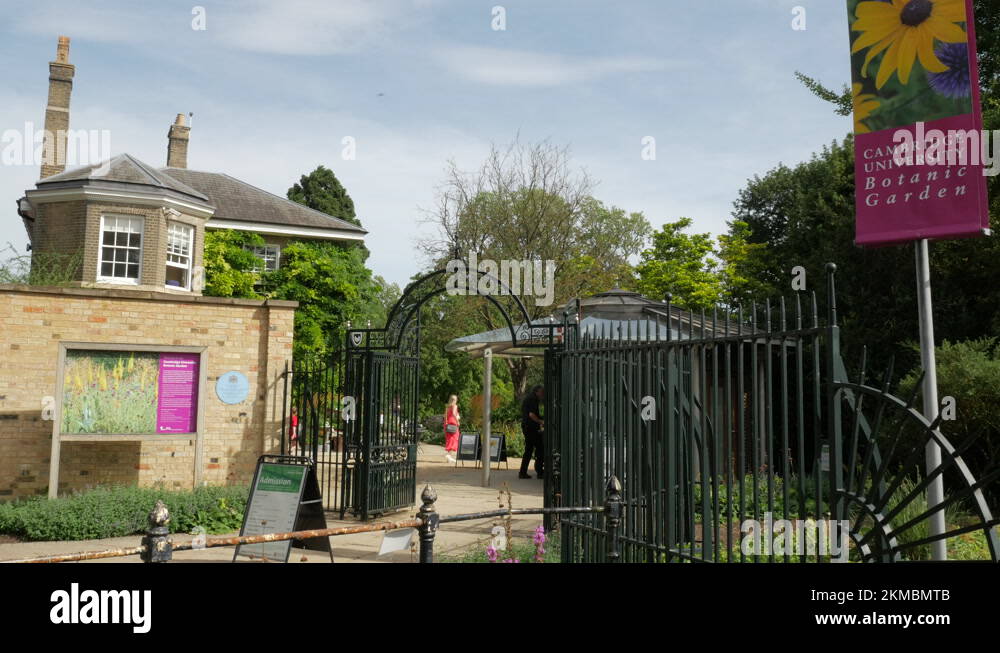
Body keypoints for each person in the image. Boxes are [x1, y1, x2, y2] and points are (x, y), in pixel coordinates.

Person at [519, 385, 545, 479]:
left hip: (527, 427)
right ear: (537, 391)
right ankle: (540, 472)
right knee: (540, 448)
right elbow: (531, 414)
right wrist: (541, 421)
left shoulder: (529, 398)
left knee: (529, 450)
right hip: (531, 428)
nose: (543, 394)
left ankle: (523, 472)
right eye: (542, 392)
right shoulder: (533, 399)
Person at [443, 395, 460, 463]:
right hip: (453, 424)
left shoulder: (447, 407)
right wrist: (457, 420)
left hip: (447, 425)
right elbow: (453, 413)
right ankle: (448, 455)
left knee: (449, 440)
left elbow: (445, 416)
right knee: (454, 440)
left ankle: (449, 457)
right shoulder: (454, 406)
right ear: (455, 400)